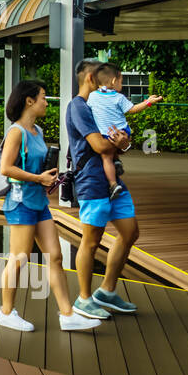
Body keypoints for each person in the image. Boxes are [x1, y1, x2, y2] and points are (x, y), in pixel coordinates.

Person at [0, 79, 102, 332]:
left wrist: (47, 179)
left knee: (55, 256)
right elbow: (6, 169)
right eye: (43, 97)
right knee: (19, 258)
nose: (46, 101)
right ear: (29, 100)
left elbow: (33, 165)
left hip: (39, 201)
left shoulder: (38, 131)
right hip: (20, 203)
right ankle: (6, 312)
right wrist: (37, 178)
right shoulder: (16, 132)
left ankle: (67, 315)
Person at [66, 58, 140, 318]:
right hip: (91, 181)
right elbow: (99, 146)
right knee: (91, 241)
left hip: (112, 180)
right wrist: (119, 143)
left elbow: (122, 140)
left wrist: (123, 143)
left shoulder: (100, 103)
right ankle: (83, 299)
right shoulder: (78, 106)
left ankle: (106, 291)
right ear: (90, 79)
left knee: (130, 232)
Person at [87, 62, 162, 199]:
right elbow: (132, 109)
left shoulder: (92, 97)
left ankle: (113, 184)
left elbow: (89, 112)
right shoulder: (118, 97)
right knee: (112, 154)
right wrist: (148, 102)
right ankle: (116, 169)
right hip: (123, 132)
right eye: (121, 81)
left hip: (106, 135)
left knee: (106, 157)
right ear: (114, 81)